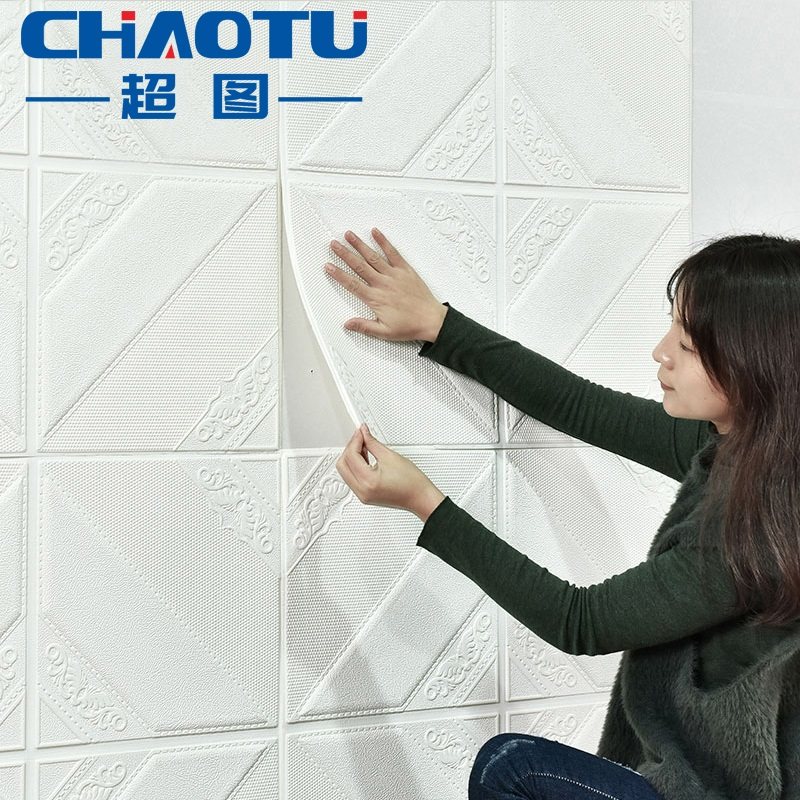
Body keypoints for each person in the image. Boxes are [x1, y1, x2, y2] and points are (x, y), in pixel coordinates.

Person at [326, 228, 800, 800]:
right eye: (673, 326)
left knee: (513, 767)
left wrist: (425, 503)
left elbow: (580, 621)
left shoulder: (758, 532)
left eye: (689, 344)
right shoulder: (746, 452)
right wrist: (438, 325)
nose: (662, 351)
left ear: (757, 365)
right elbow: (580, 406)